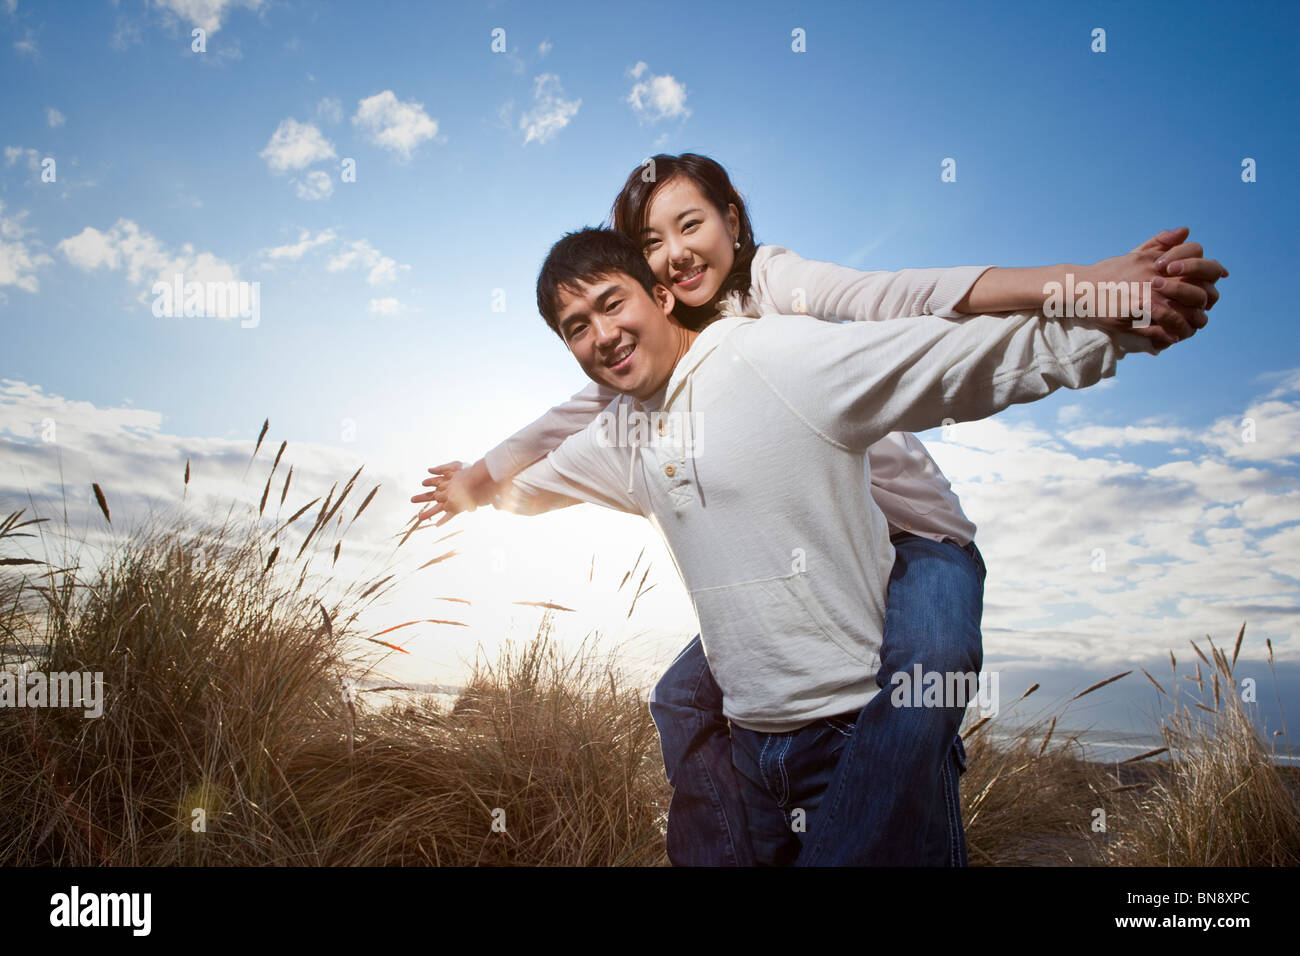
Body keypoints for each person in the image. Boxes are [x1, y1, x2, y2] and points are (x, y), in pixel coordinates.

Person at [411, 154, 1226, 865]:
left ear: (670, 282)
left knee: (929, 672)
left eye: (685, 229)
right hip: (778, 701)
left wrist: (1106, 308)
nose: (674, 254)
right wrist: (478, 485)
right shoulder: (624, 420)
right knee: (683, 697)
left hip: (922, 541)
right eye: (576, 326)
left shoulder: (779, 316)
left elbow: (932, 328)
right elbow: (557, 444)